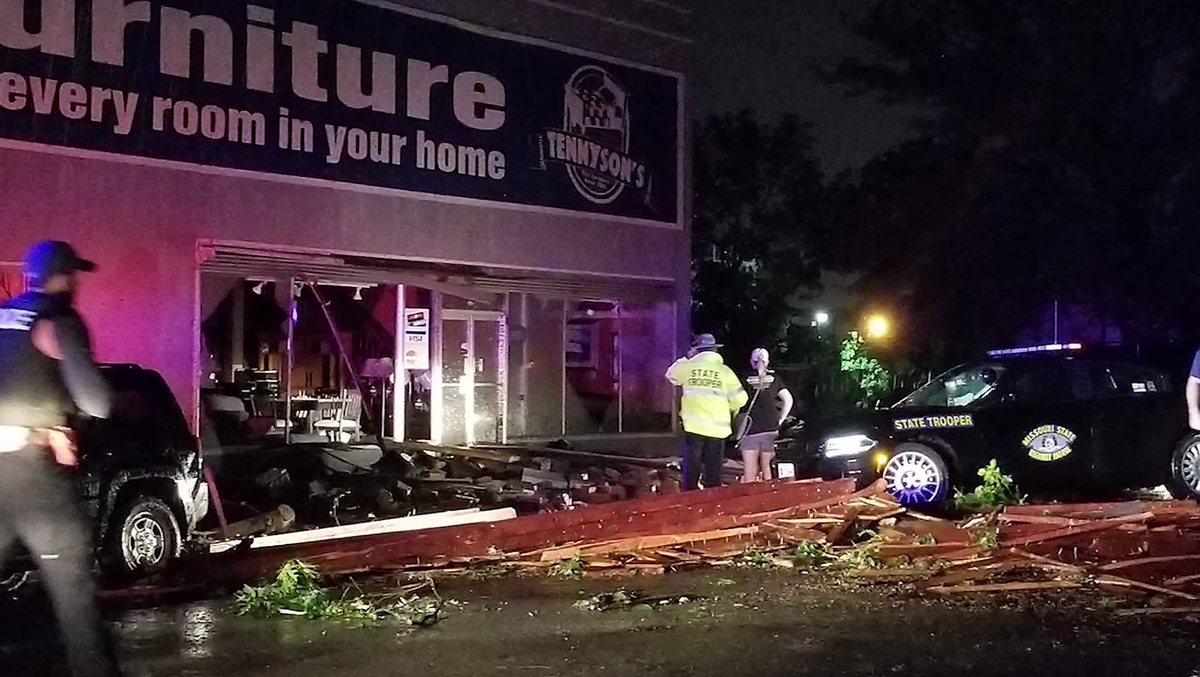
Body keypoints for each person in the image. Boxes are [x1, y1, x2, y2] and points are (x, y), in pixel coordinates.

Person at [0, 241, 121, 677]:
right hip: (34, 477)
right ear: (67, 278)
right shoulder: (58, 318)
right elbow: (97, 402)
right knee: (73, 593)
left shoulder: (2, 315)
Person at [665, 333, 748, 490]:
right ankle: (712, 501)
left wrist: (686, 359)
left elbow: (671, 374)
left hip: (693, 427)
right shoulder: (725, 372)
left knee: (692, 466)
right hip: (718, 430)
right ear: (715, 351)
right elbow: (741, 400)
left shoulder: (689, 367)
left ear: (696, 350)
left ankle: (690, 499)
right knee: (714, 470)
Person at [737, 348, 794, 483]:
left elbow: (737, 400)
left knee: (750, 468)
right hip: (771, 426)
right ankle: (770, 494)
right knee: (766, 466)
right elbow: (788, 400)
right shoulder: (775, 379)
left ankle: (752, 498)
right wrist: (780, 419)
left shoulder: (745, 379)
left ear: (752, 361)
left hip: (751, 427)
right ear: (767, 361)